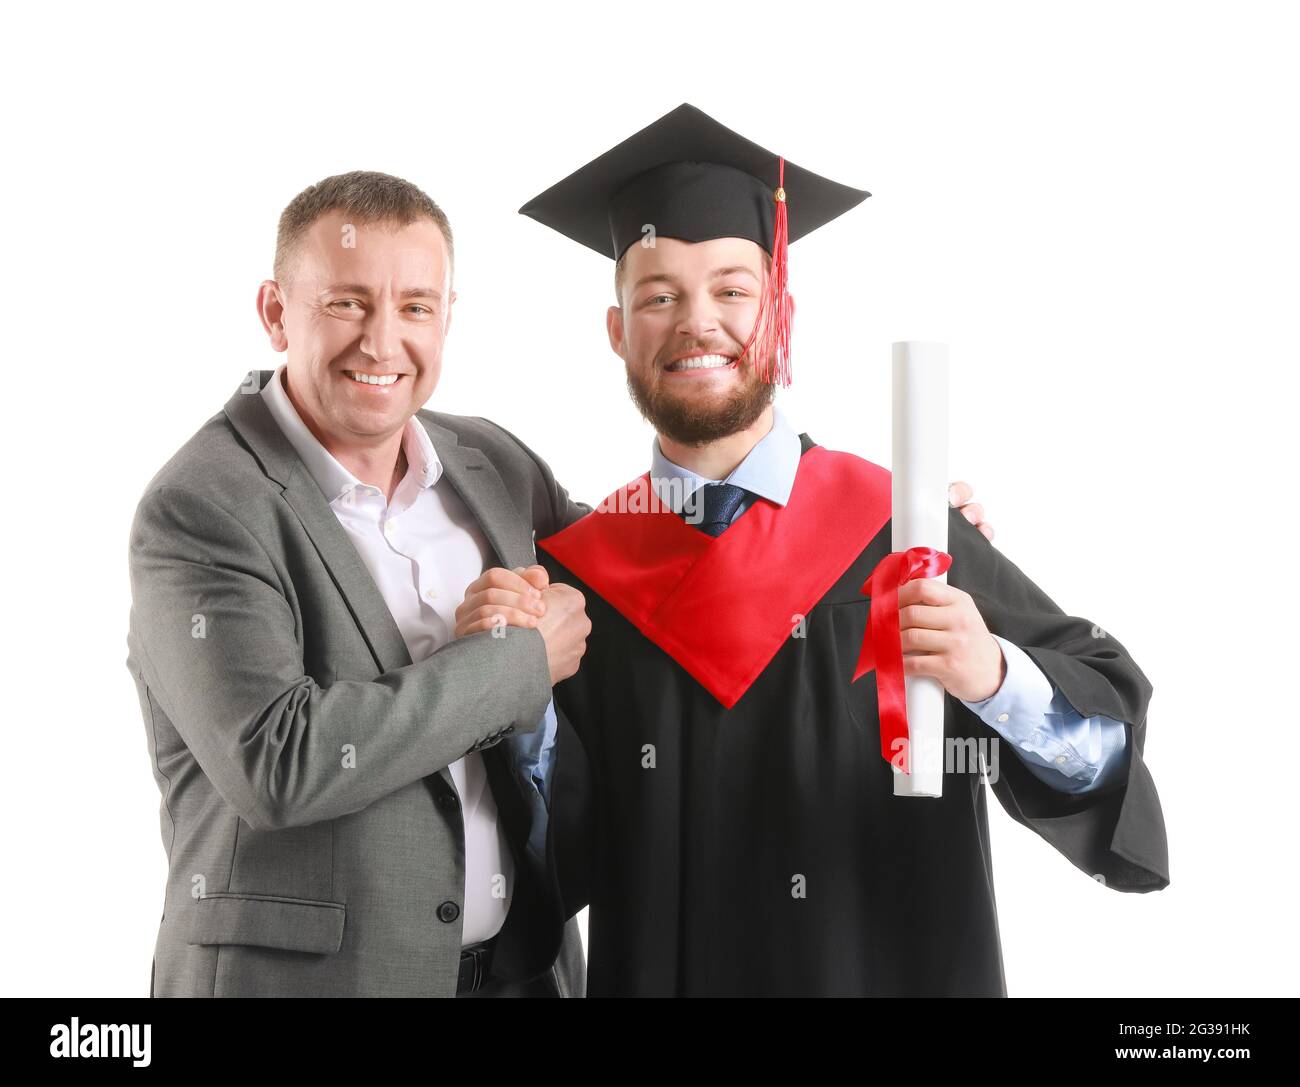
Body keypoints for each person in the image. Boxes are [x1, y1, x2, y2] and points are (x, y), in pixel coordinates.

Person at [497, 103, 1168, 996]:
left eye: (734, 288)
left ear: (781, 315)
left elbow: (1105, 755)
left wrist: (996, 677)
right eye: (659, 295)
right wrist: (517, 698)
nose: (699, 322)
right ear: (619, 330)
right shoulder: (578, 580)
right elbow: (552, 861)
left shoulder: (905, 530)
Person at [125, 171, 593, 997]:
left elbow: (638, 575)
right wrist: (511, 661)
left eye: (415, 306)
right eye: (346, 302)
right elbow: (280, 758)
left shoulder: (497, 465)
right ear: (276, 312)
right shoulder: (203, 503)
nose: (382, 342)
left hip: (519, 975)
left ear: (448, 317)